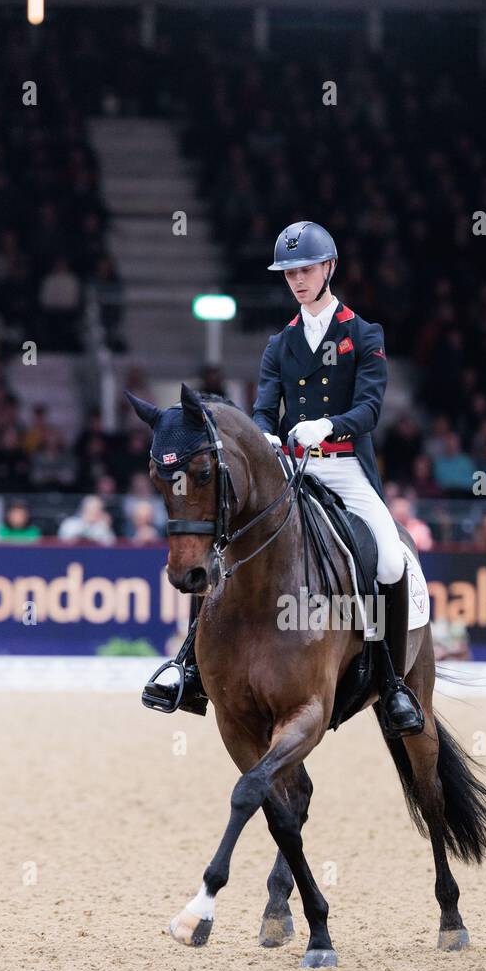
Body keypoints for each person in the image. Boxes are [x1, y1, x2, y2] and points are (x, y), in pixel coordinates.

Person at [173, 220, 423, 736]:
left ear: (329, 267)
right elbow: (265, 410)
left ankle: (392, 680)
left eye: (305, 269)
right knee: (224, 548)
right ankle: (189, 667)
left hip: (346, 466)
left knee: (392, 559)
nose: (297, 280)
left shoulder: (362, 334)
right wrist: (266, 438)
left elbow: (371, 409)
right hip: (293, 468)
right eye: (289, 273)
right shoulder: (280, 343)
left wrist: (329, 425)